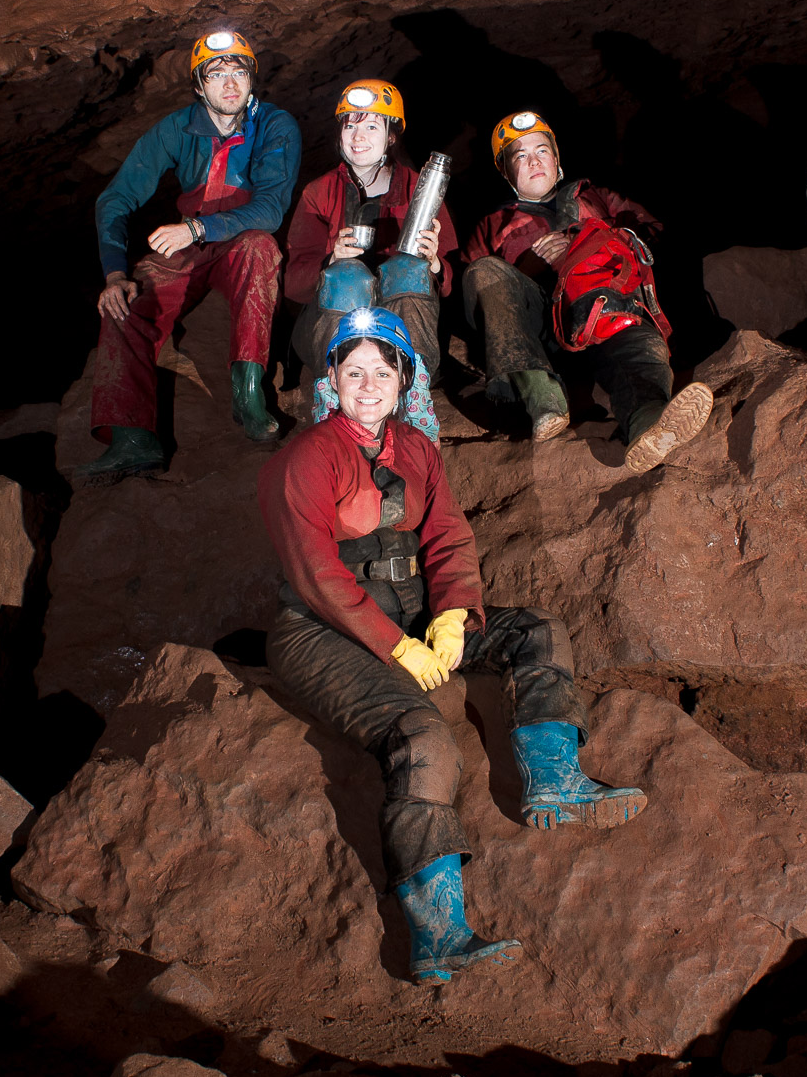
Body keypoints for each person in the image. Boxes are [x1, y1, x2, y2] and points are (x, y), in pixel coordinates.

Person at [257, 306, 646, 986]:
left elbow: (446, 537)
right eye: (355, 372)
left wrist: (453, 615)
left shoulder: (415, 447)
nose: (369, 385)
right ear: (332, 379)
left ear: (404, 379)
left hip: (410, 609)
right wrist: (397, 648)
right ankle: (438, 934)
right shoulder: (304, 458)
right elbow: (317, 574)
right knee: (423, 739)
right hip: (321, 631)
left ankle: (553, 782)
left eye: (383, 372)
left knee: (535, 630)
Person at [77, 28, 302, 483]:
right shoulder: (177, 128)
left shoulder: (276, 125)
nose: (230, 83)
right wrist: (115, 273)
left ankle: (248, 394)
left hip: (237, 238)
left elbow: (270, 209)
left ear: (252, 78)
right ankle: (133, 440)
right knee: (124, 305)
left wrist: (197, 228)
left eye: (239, 71)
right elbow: (115, 199)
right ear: (199, 86)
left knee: (260, 247)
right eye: (216, 74)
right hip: (189, 247)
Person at [463, 111, 713, 472]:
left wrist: (588, 242)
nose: (534, 161)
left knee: (639, 346)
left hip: (605, 310)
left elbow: (653, 233)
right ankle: (542, 397)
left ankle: (647, 420)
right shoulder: (492, 225)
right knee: (485, 270)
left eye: (542, 150)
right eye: (521, 155)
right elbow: (473, 297)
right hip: (544, 334)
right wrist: (526, 270)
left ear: (556, 158)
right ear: (505, 171)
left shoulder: (594, 196)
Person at [284, 79, 458, 398]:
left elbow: (452, 281)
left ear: (391, 136)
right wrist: (331, 259)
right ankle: (334, 392)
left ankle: (414, 390)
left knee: (407, 267)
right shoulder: (319, 193)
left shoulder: (420, 189)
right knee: (347, 275)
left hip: (400, 325)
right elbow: (294, 285)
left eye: (372, 127)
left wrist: (435, 264)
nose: (358, 137)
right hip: (333, 324)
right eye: (350, 126)